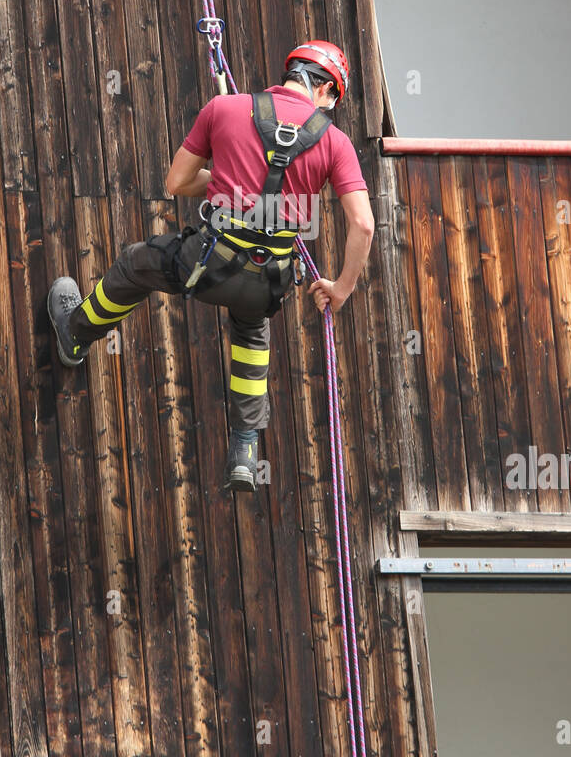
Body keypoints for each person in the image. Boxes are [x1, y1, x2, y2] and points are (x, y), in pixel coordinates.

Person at [48, 41, 375, 488]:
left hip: (206, 266)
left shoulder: (224, 108)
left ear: (292, 72)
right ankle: (243, 449)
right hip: (267, 282)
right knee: (251, 331)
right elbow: (364, 225)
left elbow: (177, 181)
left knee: (136, 264)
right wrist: (341, 288)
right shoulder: (334, 142)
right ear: (327, 92)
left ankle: (76, 332)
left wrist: (224, 183)